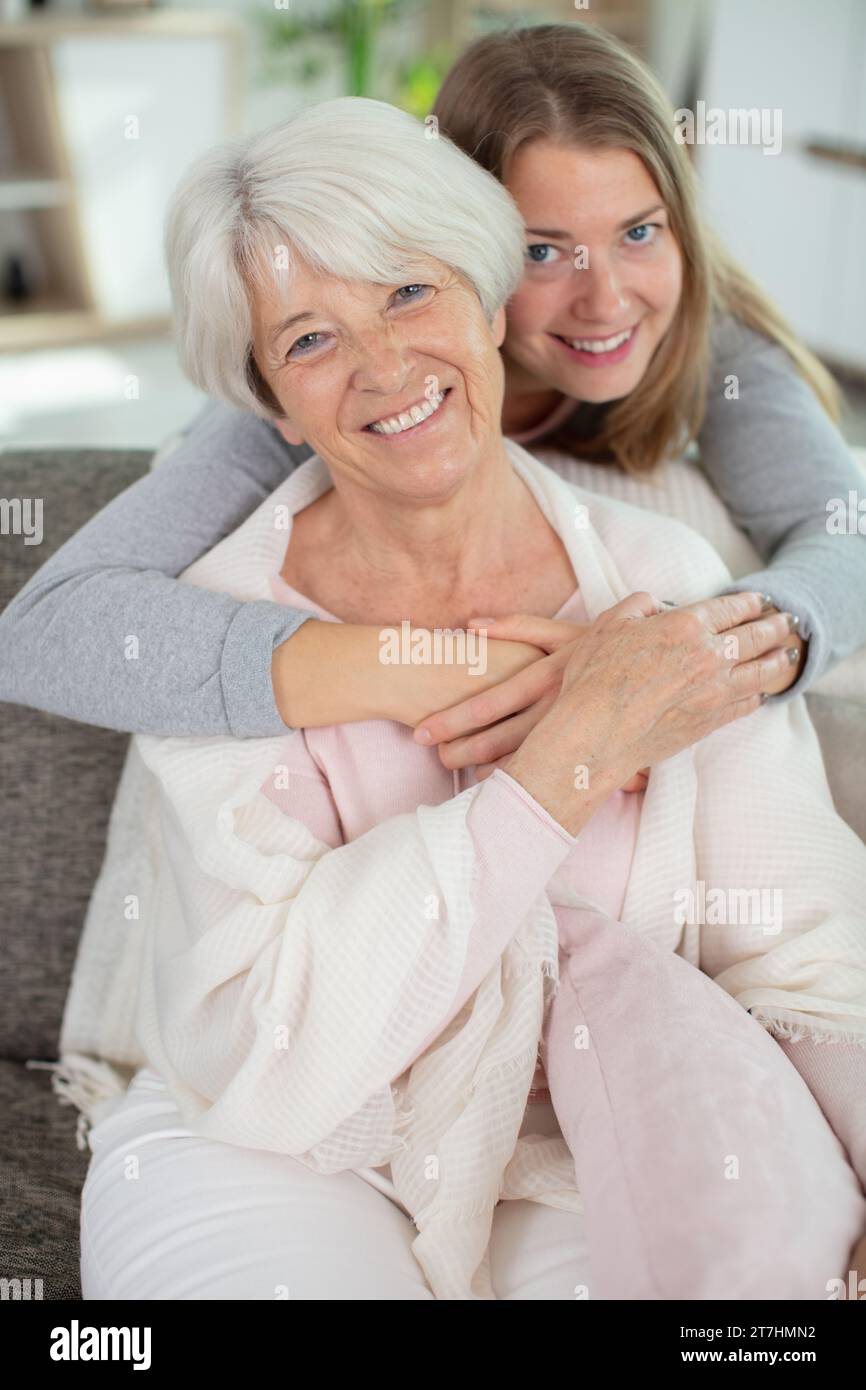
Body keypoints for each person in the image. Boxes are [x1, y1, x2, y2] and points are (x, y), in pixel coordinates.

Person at [78, 97, 866, 1301]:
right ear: (268, 402)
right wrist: (570, 755)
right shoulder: (210, 631)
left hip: (582, 1134)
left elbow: (807, 958)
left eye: (408, 292)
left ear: (492, 304)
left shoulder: (662, 584)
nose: (385, 368)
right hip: (281, 1137)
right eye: (308, 339)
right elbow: (265, 1040)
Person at [3, 23, 863, 766]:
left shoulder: (714, 341)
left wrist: (700, 654)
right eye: (541, 250)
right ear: (460, 242)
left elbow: (847, 536)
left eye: (639, 232)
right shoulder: (317, 399)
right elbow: (50, 629)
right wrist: (429, 667)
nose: (606, 300)